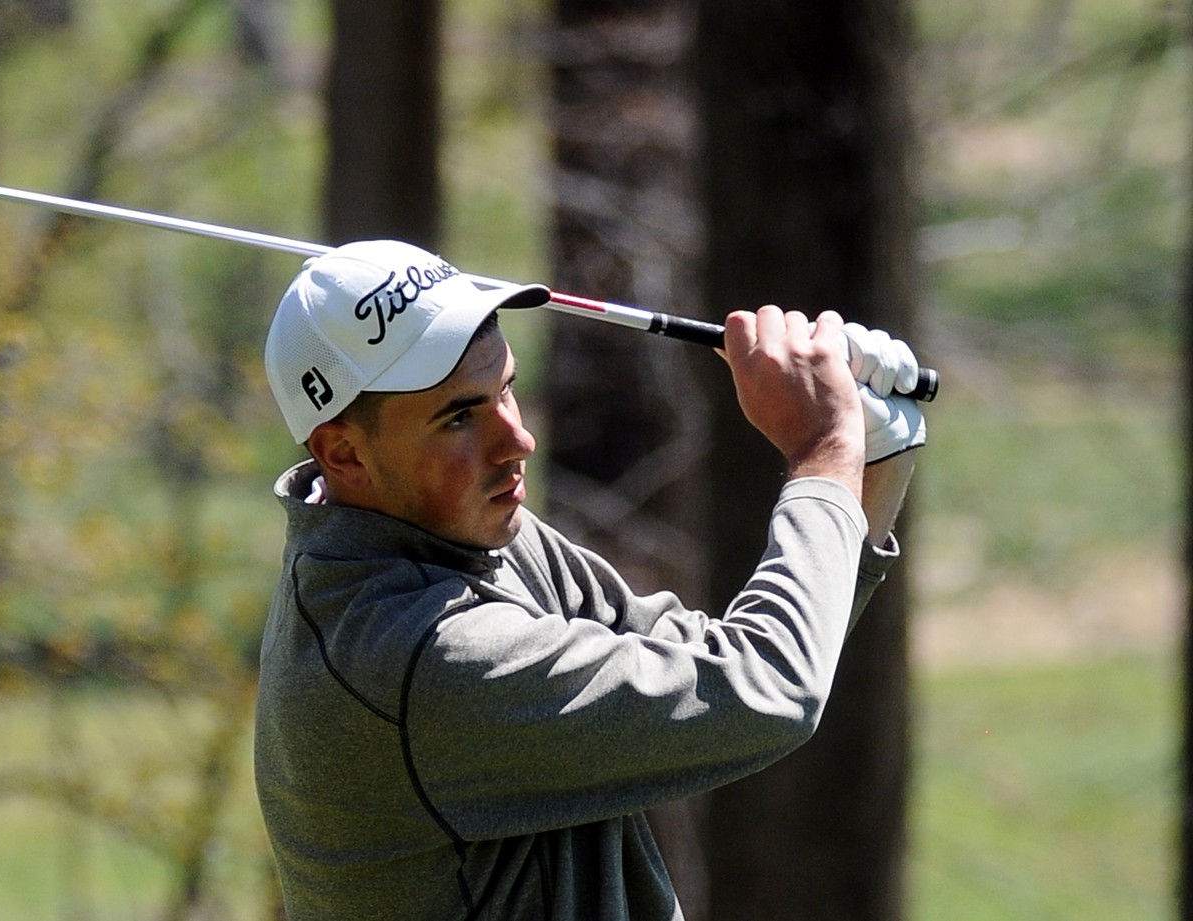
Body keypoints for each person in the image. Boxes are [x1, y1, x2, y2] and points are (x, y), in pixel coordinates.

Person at [253, 239, 925, 921]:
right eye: (459, 416)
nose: (517, 440)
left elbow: (720, 657)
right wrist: (826, 450)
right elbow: (766, 688)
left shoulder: (456, 537)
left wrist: (869, 473)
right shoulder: (415, 655)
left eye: (506, 388)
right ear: (343, 452)